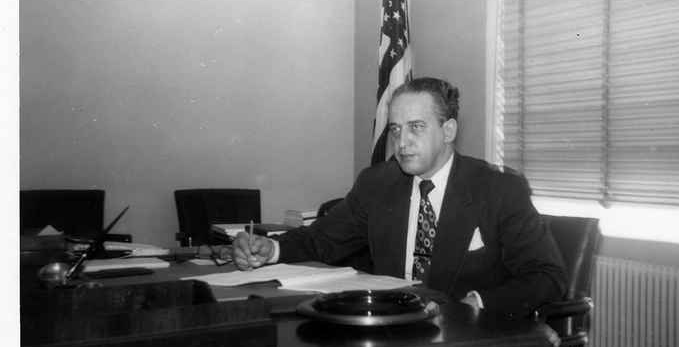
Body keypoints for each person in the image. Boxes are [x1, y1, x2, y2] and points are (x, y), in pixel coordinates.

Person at [232, 77, 566, 318]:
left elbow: (547, 275)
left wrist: (479, 302)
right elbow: (322, 238)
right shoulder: (378, 182)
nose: (401, 142)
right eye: (395, 129)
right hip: (392, 326)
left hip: (466, 335)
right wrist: (271, 248)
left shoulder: (498, 188)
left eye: (415, 127)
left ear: (448, 131)